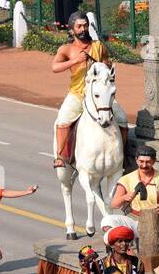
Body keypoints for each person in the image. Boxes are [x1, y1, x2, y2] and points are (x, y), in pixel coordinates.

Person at [50, 12, 128, 167]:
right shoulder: (66, 49)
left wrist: (107, 69)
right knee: (63, 118)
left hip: (99, 95)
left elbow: (108, 63)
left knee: (122, 118)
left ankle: (122, 156)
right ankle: (61, 156)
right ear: (72, 30)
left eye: (85, 25)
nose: (83, 29)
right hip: (78, 94)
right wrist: (74, 61)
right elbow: (54, 67)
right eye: (79, 26)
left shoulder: (98, 46)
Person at [110, 145, 159, 237]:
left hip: (157, 220)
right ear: (136, 160)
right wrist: (124, 197)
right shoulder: (126, 179)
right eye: (141, 161)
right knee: (108, 221)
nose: (144, 165)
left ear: (154, 161)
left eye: (148, 162)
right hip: (134, 220)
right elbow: (114, 204)